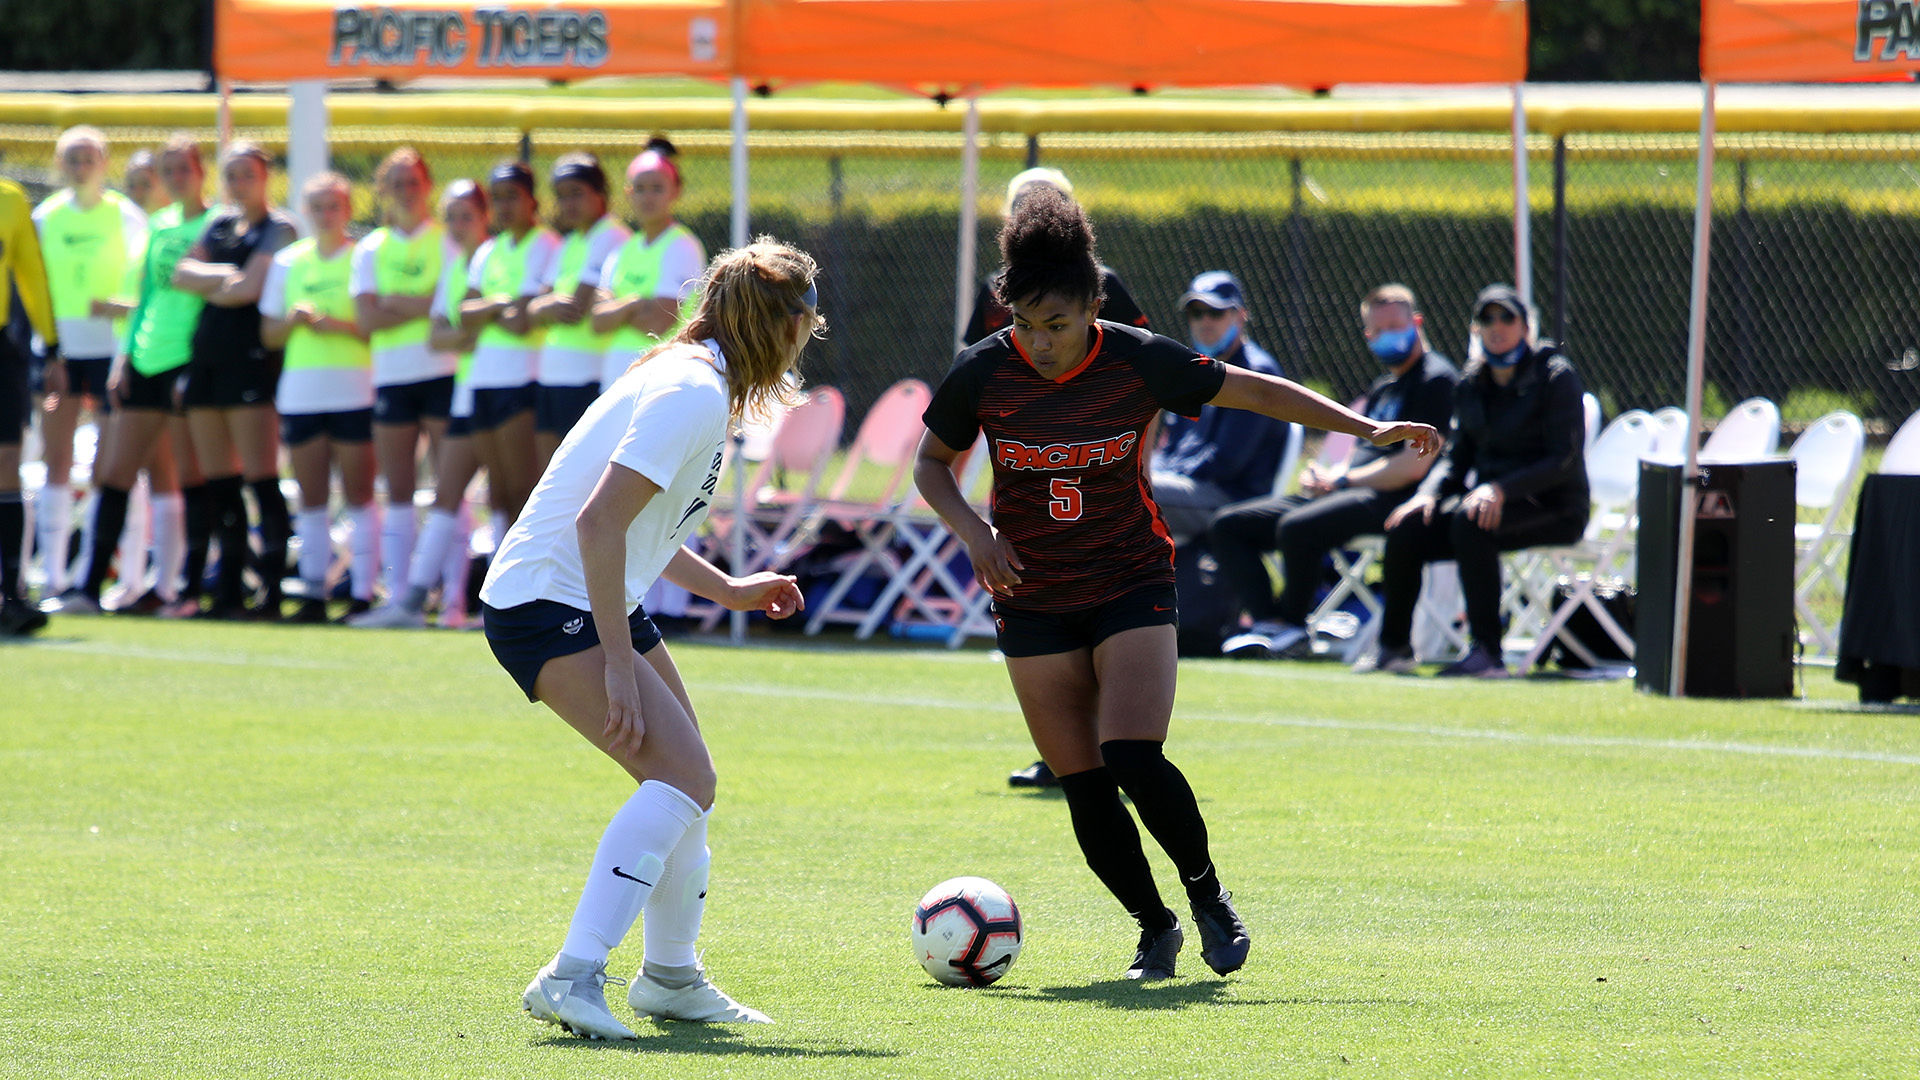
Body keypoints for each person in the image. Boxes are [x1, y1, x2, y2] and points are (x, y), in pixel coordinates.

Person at [914, 185, 1440, 982]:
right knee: (1083, 784)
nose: (1042, 342)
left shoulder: (1137, 357)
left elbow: (1258, 392)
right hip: (1032, 597)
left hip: (1130, 579)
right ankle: (1152, 927)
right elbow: (930, 465)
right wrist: (976, 534)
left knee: (1131, 752)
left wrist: (1365, 428)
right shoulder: (983, 372)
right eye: (1025, 324)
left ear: (1095, 305)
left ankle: (1208, 898)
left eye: (1057, 324)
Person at [481, 239, 822, 1038]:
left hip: (588, 594)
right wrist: (618, 667)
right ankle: (572, 976)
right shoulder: (691, 391)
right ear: (791, 323)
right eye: (810, 323)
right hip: (547, 601)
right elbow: (597, 522)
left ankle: (670, 978)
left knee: (688, 785)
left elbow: (643, 523)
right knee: (682, 774)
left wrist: (730, 589)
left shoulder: (695, 379)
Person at [991, 167, 1148, 792]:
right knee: (1035, 605)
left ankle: (1117, 747)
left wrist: (1139, 452)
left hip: (1098, 467)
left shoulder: (1098, 285)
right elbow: (972, 373)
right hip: (1028, 470)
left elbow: (1148, 371)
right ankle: (1062, 750)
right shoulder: (999, 288)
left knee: (1106, 605)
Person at [1211, 283, 1459, 660]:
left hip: (1394, 501)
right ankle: (1270, 624)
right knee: (1229, 525)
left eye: (1397, 326)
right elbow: (1360, 454)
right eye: (1380, 330)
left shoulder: (1436, 379)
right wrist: (1325, 476)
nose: (1389, 336)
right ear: (1368, 336)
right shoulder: (1384, 388)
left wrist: (1342, 480)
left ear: (1417, 322)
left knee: (1298, 527)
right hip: (1347, 492)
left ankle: (1293, 627)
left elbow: (1413, 466)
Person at [1361, 283, 1590, 678]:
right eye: (1487, 318)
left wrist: (1500, 489)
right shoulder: (1471, 382)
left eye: (1507, 317)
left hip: (1555, 507)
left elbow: (1563, 460)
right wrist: (1426, 495)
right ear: (1476, 329)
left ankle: (1486, 652)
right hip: (1485, 502)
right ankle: (1394, 648)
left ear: (1526, 326)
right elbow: (1456, 456)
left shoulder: (1555, 376)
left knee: (1470, 521)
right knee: (1408, 524)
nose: (1497, 327)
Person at [57, 136, 214, 618]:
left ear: (199, 172)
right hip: (145, 358)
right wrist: (124, 357)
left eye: (182, 170)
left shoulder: (216, 222)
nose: (174, 179)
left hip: (188, 361)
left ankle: (178, 589)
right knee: (116, 473)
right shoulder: (158, 225)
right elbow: (145, 297)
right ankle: (88, 587)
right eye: (168, 172)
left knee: (188, 477)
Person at [351, 179, 499, 629]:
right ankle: (412, 601)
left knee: (503, 496)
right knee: (444, 495)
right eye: (451, 216)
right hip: (466, 389)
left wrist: (412, 310)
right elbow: (443, 333)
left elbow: (472, 326)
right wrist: (457, 327)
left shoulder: (490, 255)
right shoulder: (458, 263)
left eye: (466, 216)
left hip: (494, 387)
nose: (457, 225)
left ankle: (469, 603)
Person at [172, 142, 299, 618]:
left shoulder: (279, 227)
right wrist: (223, 275)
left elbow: (250, 290)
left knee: (261, 479)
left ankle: (272, 591)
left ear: (265, 177)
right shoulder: (219, 225)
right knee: (219, 484)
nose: (240, 184)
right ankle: (226, 589)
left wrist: (223, 285)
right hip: (206, 362)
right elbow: (181, 274)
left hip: (249, 363)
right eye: (232, 175)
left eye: (248, 174)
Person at [31, 125, 148, 598]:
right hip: (60, 352)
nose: (80, 167)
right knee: (55, 460)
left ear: (104, 162)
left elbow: (144, 286)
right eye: (72, 158)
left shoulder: (127, 216)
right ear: (60, 164)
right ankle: (53, 576)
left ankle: (120, 577)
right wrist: (50, 347)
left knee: (112, 465)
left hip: (111, 352)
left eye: (89, 158)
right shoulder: (44, 217)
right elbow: (32, 288)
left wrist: (119, 309)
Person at [261, 173, 378, 624]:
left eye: (334, 206)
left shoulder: (360, 259)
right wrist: (293, 321)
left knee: (359, 495)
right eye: (317, 207)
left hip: (353, 389)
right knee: (311, 497)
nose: (325, 215)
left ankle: (363, 591)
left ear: (347, 210)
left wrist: (336, 325)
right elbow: (268, 332)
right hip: (302, 395)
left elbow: (371, 330)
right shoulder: (289, 262)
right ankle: (313, 590)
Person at [352, 147, 458, 616]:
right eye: (396, 183)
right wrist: (417, 302)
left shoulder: (447, 241)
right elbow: (366, 319)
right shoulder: (371, 247)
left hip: (442, 373)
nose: (406, 191)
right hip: (392, 377)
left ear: (427, 187)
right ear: (383, 191)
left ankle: (454, 599)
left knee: (449, 489)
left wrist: (394, 301)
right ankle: (400, 599)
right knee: (397, 489)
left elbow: (446, 307)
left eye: (413, 181)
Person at [1148, 270, 1290, 546]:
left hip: (1232, 498)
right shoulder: (1197, 368)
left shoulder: (1255, 373)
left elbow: (1225, 463)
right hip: (1193, 486)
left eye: (1215, 312)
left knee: (1131, 493)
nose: (1205, 322)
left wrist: (1163, 473)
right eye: (1197, 313)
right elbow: (1172, 447)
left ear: (1240, 316)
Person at [461, 161, 559, 531]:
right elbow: (464, 313)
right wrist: (501, 303)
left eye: (512, 197)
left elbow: (521, 322)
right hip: (483, 381)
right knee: (497, 492)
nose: (503, 206)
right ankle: (497, 581)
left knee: (523, 489)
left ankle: (528, 583)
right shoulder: (488, 251)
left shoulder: (546, 245)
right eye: (496, 198)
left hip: (521, 380)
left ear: (531, 199)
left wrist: (489, 309)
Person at [528, 152, 628, 465]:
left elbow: (575, 309)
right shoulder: (569, 243)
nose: (568, 203)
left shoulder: (612, 236)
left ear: (601, 195)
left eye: (577, 193)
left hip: (586, 376)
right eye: (561, 196)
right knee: (548, 476)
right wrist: (545, 306)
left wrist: (544, 307)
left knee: (578, 476)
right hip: (551, 376)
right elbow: (534, 310)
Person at [593, 139, 705, 391]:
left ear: (675, 191)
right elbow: (598, 321)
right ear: (629, 192)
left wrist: (618, 309)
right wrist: (635, 304)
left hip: (661, 380)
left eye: (657, 188)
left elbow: (659, 321)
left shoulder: (682, 246)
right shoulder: (621, 251)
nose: (648, 197)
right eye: (640, 188)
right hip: (616, 381)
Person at [0, 175, 60, 635]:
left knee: (7, 464)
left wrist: (52, 343)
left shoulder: (10, 198)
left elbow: (31, 274)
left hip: (3, 349)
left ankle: (12, 593)